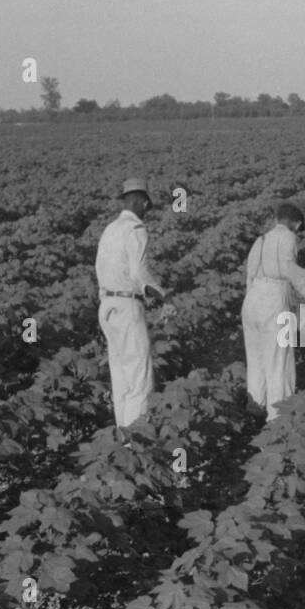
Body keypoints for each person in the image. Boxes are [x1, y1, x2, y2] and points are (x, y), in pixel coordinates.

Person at [95, 177, 174, 432]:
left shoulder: (111, 228)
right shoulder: (136, 229)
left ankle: (124, 436)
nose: (147, 210)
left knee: (121, 379)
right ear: (142, 202)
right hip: (127, 307)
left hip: (107, 306)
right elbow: (140, 273)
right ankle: (138, 439)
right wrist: (164, 297)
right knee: (139, 378)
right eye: (146, 205)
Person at [243, 200, 305, 420]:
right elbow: (289, 268)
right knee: (278, 360)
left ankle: (256, 405)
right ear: (295, 223)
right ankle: (278, 416)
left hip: (252, 299)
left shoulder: (261, 239)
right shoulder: (288, 237)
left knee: (256, 357)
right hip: (273, 299)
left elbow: (250, 274)